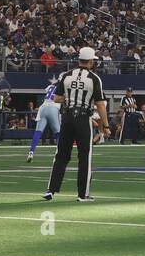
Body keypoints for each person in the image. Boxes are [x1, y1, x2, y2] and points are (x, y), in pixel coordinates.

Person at [44, 46, 108, 203]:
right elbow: (100, 104)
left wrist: (70, 98)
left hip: (66, 118)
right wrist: (105, 125)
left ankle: (51, 190)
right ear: (91, 61)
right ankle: (82, 194)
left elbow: (56, 98)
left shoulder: (66, 75)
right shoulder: (94, 78)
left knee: (61, 155)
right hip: (83, 119)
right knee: (84, 157)